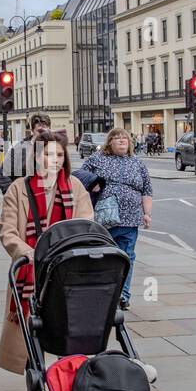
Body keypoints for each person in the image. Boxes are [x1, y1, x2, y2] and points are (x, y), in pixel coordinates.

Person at [0, 131, 93, 373]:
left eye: (60, 154)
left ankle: (67, 382)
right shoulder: (19, 188)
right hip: (31, 271)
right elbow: (7, 230)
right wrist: (27, 252)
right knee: (31, 335)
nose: (56, 159)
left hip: (65, 272)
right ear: (38, 157)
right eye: (50, 154)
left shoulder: (75, 187)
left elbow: (85, 225)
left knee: (66, 332)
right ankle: (36, 383)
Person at [80, 127, 153, 309]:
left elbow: (147, 190)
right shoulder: (98, 159)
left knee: (127, 257)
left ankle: (123, 295)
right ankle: (104, 293)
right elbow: (79, 177)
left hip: (130, 219)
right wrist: (93, 182)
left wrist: (146, 213)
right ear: (109, 142)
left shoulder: (137, 162)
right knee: (104, 257)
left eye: (125, 139)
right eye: (117, 138)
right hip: (105, 220)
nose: (122, 141)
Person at [0, 113, 52, 194]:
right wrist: (14, 195)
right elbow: (3, 174)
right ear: (32, 130)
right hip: (25, 198)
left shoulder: (56, 148)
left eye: (45, 130)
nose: (43, 134)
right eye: (39, 131)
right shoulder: (18, 149)